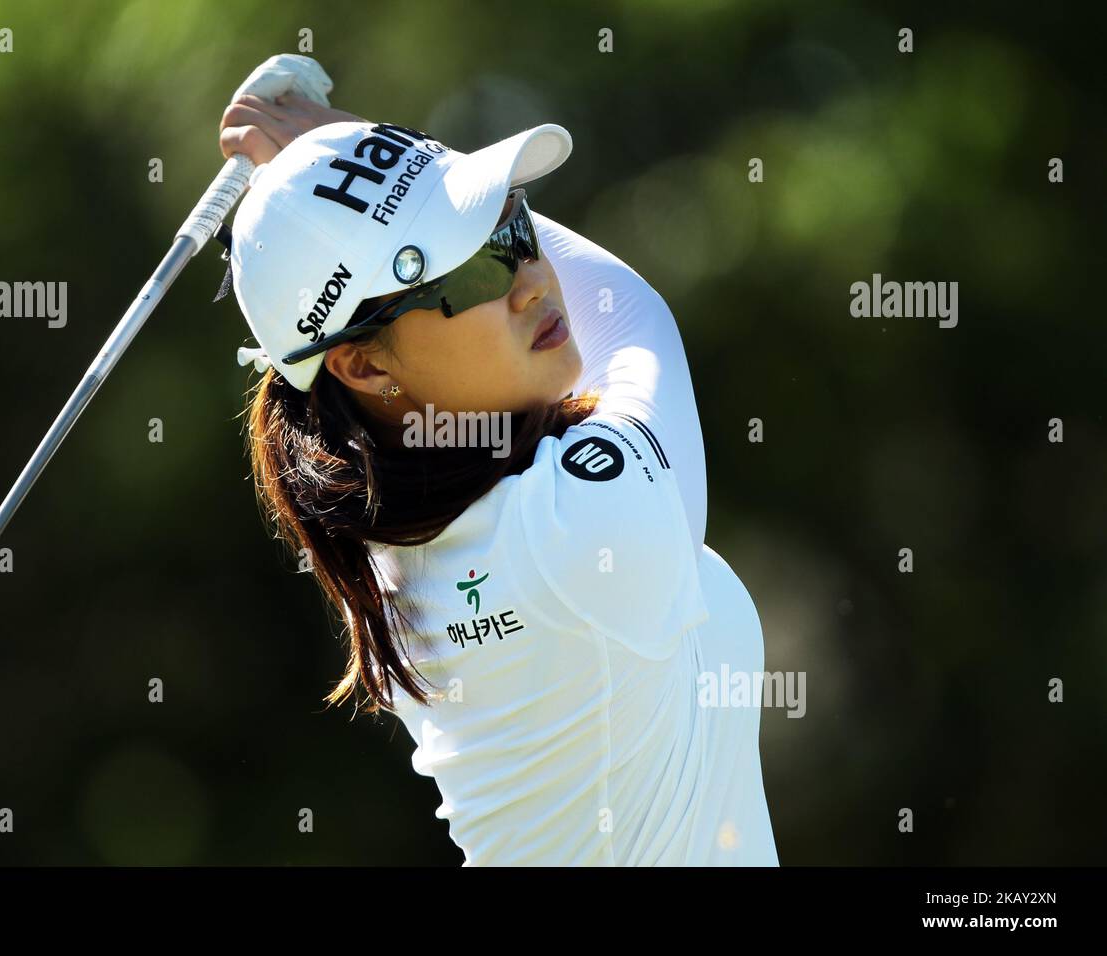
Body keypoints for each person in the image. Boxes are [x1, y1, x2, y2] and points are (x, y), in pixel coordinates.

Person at [218, 91, 780, 866]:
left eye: (514, 223)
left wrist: (355, 168)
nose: (532, 280)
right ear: (365, 362)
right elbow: (630, 316)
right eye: (474, 268)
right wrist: (341, 141)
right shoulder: (588, 519)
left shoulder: (395, 528)